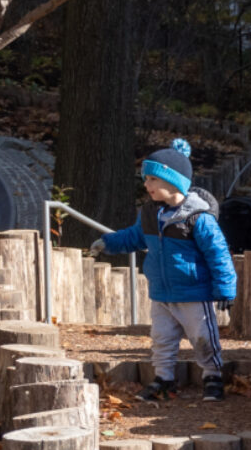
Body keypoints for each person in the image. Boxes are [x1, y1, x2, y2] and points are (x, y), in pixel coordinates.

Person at [96, 139, 237, 401]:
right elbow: (135, 237)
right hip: (161, 293)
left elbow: (218, 253)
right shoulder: (150, 214)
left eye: (152, 179)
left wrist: (225, 289)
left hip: (194, 292)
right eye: (146, 179)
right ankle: (164, 378)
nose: (146, 185)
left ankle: (212, 376)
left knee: (203, 337)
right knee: (161, 338)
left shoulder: (198, 218)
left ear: (173, 182)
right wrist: (109, 242)